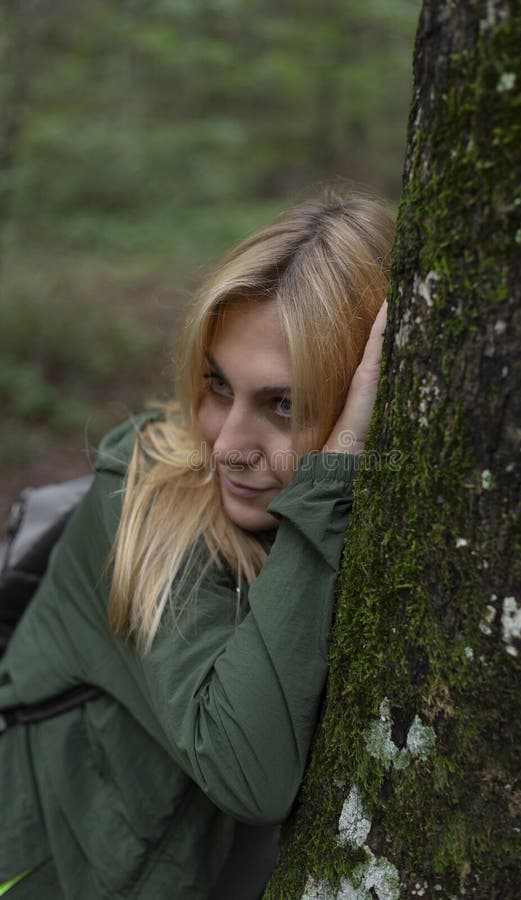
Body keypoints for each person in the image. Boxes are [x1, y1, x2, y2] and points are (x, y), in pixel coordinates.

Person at [0, 192, 395, 899]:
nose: (226, 445)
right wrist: (331, 472)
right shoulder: (146, 505)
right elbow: (248, 773)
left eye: (283, 405)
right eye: (218, 385)